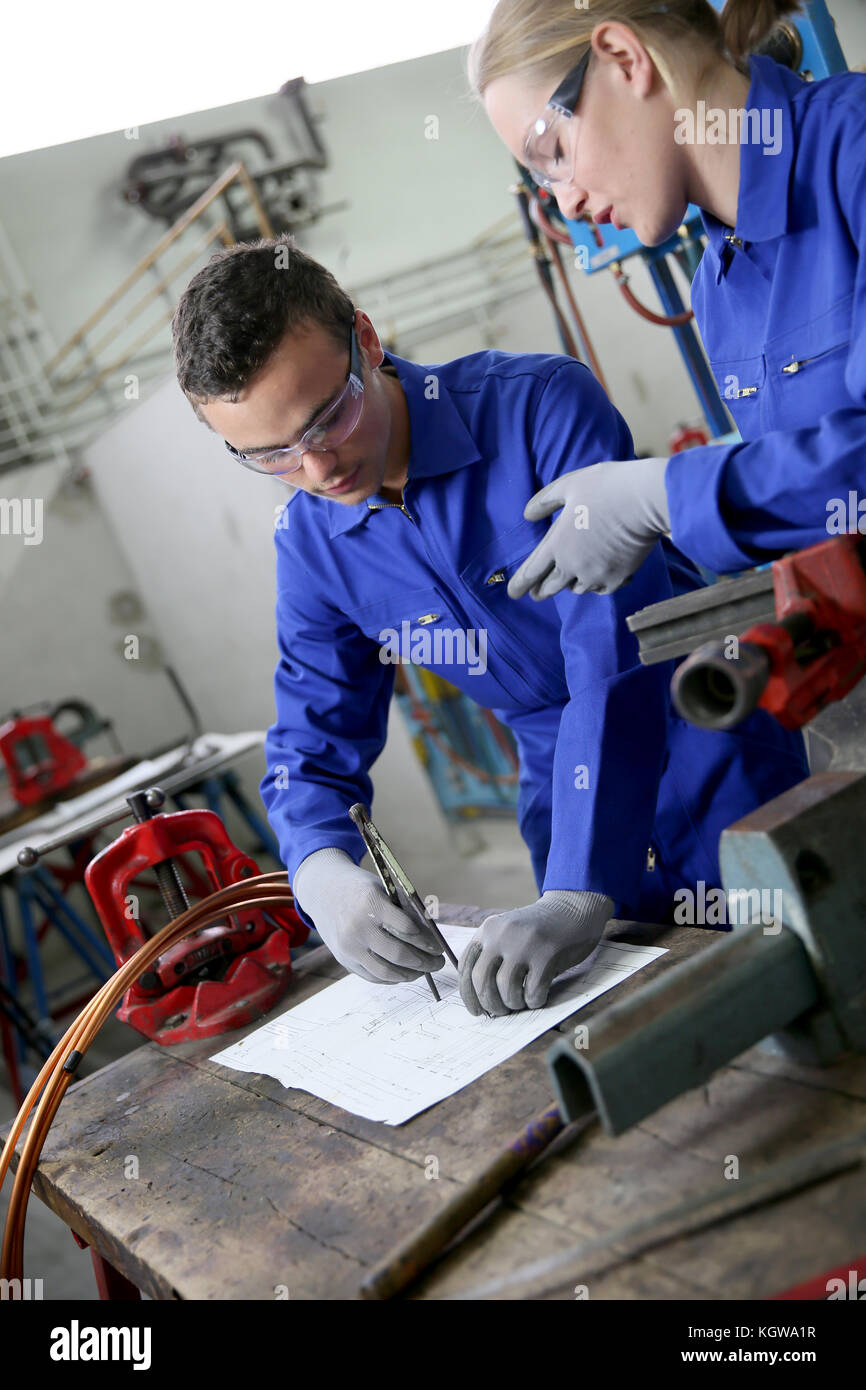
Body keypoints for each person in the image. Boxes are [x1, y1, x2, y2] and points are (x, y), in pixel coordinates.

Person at [170, 237, 808, 1016]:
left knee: (817, 979)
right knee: (661, 1031)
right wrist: (319, 869)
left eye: (329, 417)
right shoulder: (312, 547)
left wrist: (580, 886)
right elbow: (310, 742)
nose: (319, 470)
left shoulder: (538, 407)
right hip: (560, 798)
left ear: (366, 342)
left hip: (714, 746)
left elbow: (612, 651)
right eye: (270, 456)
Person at [469, 0, 866, 599]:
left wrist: (666, 494)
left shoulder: (855, 153)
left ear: (626, 60)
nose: (566, 203)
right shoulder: (718, 292)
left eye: (552, 152)